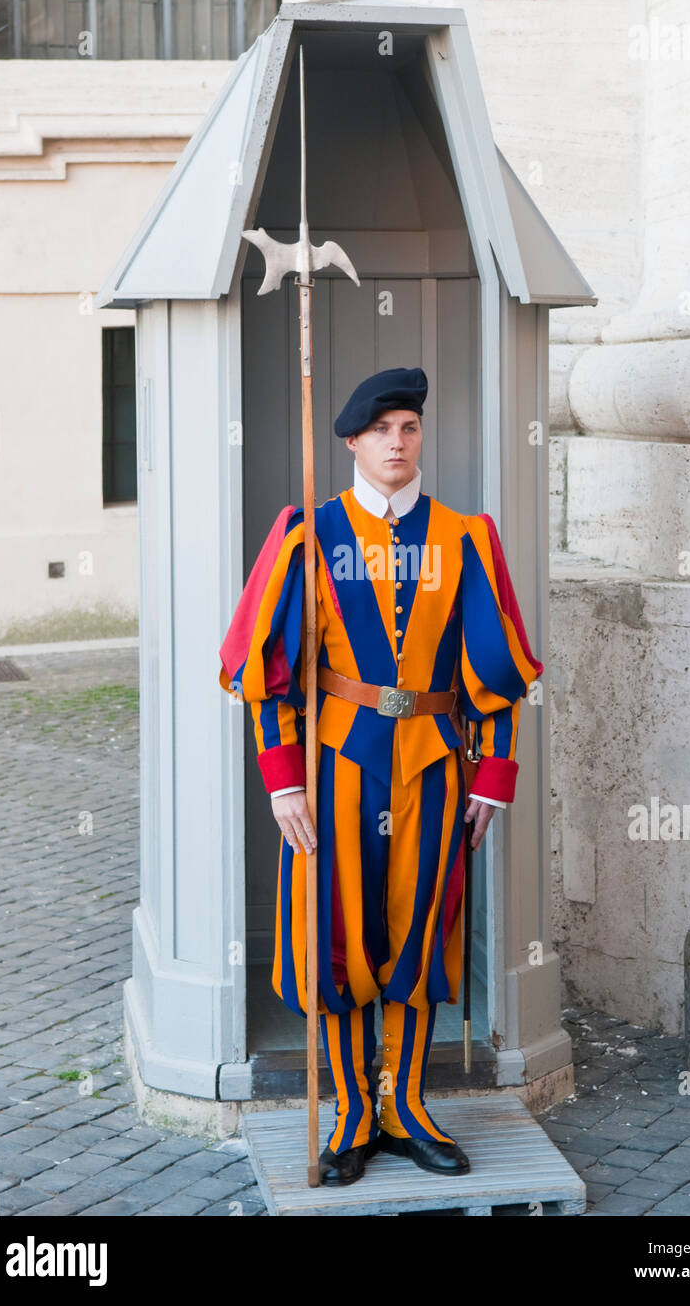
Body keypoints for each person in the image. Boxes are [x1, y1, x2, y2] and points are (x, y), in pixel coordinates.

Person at [218, 366, 543, 1186]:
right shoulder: (306, 536)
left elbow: (495, 673)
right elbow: (268, 670)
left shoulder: (465, 537)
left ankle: (406, 1106)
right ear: (353, 443)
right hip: (335, 768)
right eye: (380, 431)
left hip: (434, 766)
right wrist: (283, 780)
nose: (397, 443)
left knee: (419, 932)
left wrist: (492, 775)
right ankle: (354, 1110)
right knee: (338, 937)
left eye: (408, 428)